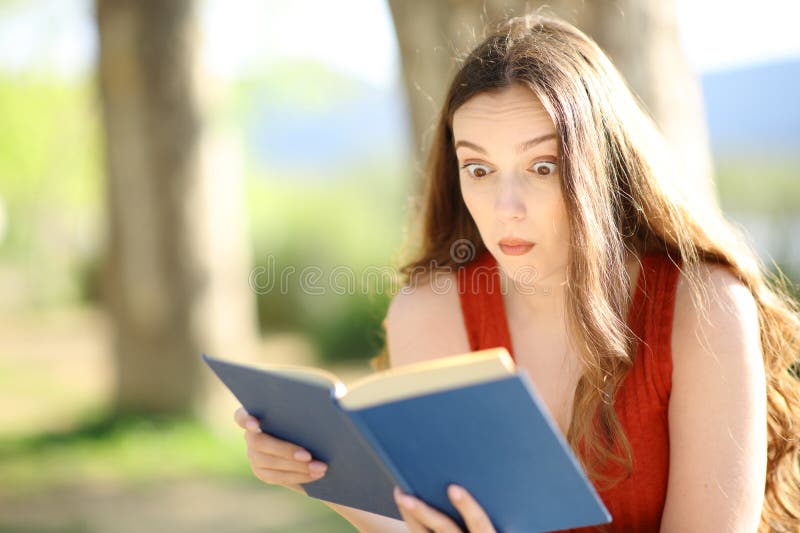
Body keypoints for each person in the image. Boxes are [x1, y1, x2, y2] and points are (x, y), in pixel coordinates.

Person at [233, 12, 800, 533]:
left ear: (601, 167)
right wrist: (325, 471)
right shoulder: (430, 310)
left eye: (542, 166)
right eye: (478, 168)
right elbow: (430, 522)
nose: (506, 206)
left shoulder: (704, 306)